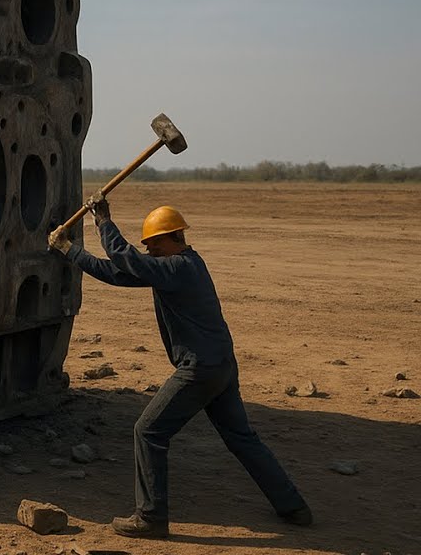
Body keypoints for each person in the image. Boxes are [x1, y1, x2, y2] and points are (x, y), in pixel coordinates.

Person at [48, 196, 312, 539]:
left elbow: (124, 257)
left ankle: (151, 517)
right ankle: (294, 507)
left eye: (153, 244)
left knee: (148, 432)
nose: (150, 251)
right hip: (222, 365)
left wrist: (103, 220)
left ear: (173, 238)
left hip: (199, 369)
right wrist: (69, 250)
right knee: (242, 438)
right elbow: (115, 271)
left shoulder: (175, 268)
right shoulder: (183, 266)